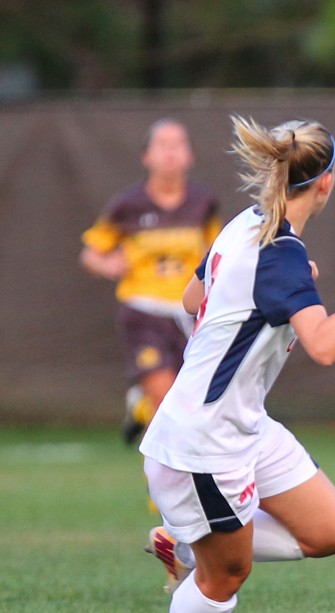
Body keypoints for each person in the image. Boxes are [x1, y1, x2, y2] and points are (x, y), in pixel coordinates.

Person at [139, 115, 335, 613]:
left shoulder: (247, 223)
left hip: (244, 423)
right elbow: (327, 346)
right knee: (228, 573)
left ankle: (185, 539)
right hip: (203, 442)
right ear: (326, 183)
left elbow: (195, 299)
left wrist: (274, 294)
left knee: (330, 531)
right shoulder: (279, 252)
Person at [80, 119, 223, 446]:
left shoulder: (203, 203)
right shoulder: (128, 205)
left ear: (190, 156)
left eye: (178, 144)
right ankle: (161, 494)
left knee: (190, 405)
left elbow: (219, 254)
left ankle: (140, 408)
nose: (171, 152)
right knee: (167, 411)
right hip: (143, 313)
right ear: (146, 157)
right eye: (162, 145)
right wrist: (106, 263)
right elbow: (90, 254)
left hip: (190, 315)